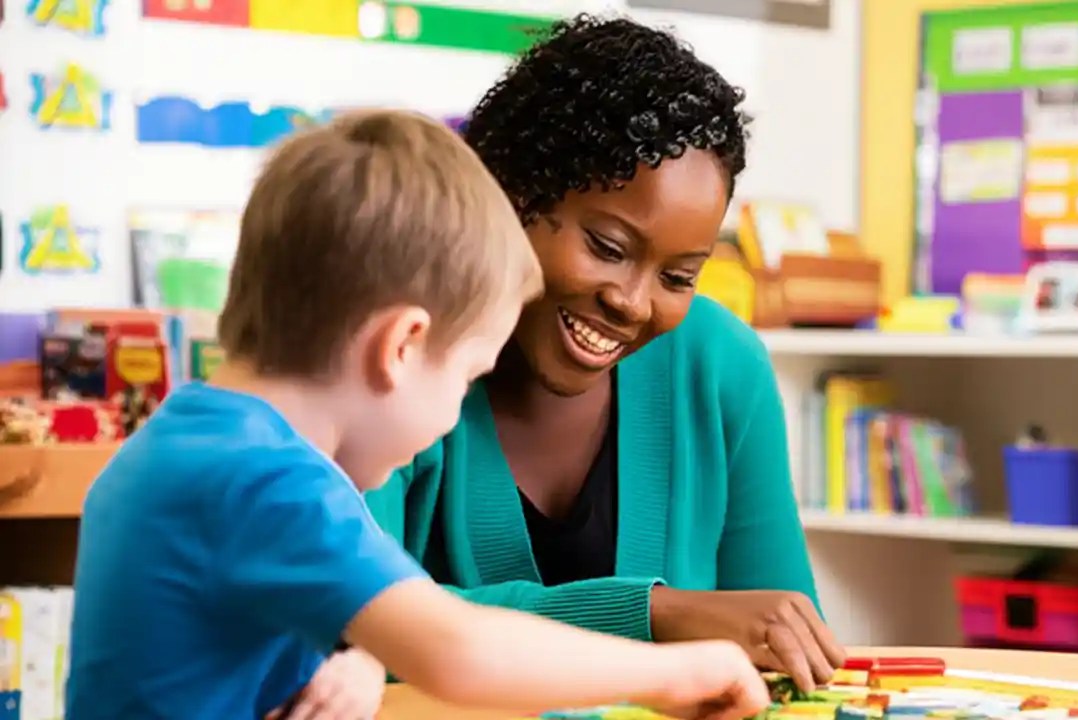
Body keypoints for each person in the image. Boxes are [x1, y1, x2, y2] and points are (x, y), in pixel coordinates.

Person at [66, 110, 769, 720]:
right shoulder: (266, 483)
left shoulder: (187, 438)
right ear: (400, 346)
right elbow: (457, 650)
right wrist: (684, 671)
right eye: (468, 375)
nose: (454, 418)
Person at [365, 14, 845, 693]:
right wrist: (656, 616)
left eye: (679, 277)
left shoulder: (719, 366)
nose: (633, 302)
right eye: (608, 248)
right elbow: (354, 627)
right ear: (512, 194)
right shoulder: (400, 352)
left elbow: (784, 643)